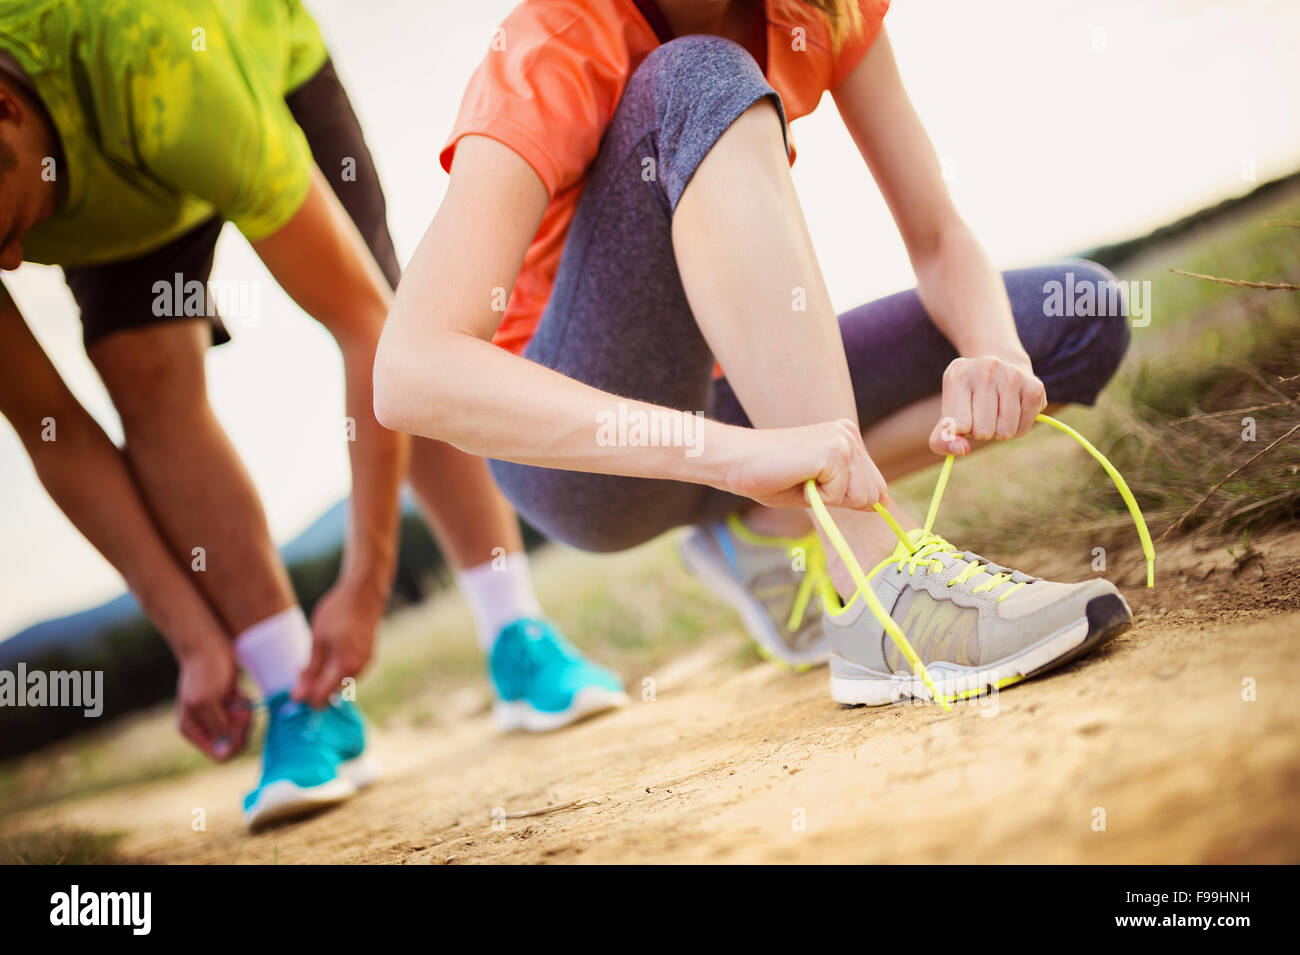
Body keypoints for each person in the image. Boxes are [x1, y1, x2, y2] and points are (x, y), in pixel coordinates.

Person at [373, 0, 1136, 705]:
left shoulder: (820, 13)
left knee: (1079, 318)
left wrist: (990, 347)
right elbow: (412, 371)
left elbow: (937, 237)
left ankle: (762, 537)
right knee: (696, 75)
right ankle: (878, 586)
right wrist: (732, 456)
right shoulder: (555, 42)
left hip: (746, 411)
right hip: (591, 467)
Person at [0, 0, 623, 831]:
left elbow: (373, 334)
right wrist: (190, 635)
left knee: (408, 317)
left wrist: (364, 584)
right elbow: (59, 437)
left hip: (245, 66)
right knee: (144, 379)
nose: (11, 261)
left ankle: (518, 632)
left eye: (0, 228)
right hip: (115, 191)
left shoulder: (162, 69)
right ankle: (303, 695)